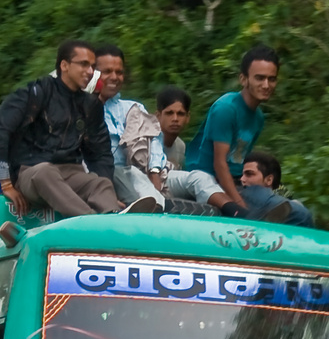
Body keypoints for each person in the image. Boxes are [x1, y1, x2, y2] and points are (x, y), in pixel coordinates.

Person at [0, 40, 140, 217]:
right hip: (32, 173)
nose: (90, 72)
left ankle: (114, 218)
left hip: (71, 174)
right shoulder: (34, 93)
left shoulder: (91, 105)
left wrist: (109, 194)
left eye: (92, 66)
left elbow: (101, 154)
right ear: (64, 65)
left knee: (101, 183)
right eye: (83, 64)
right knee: (45, 172)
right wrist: (6, 184)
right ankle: (91, 220)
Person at [183, 44, 290, 222]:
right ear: (243, 79)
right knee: (295, 213)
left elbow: (241, 161)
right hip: (210, 182)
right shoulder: (226, 109)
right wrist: (239, 203)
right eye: (260, 78)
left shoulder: (258, 118)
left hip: (238, 182)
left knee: (293, 207)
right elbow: (220, 164)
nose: (266, 85)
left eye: (272, 79)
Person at [93, 44, 165, 211]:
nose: (114, 77)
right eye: (107, 72)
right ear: (93, 74)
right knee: (121, 176)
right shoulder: (82, 109)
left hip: (134, 171)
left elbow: (153, 140)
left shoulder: (132, 108)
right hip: (99, 173)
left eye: (119, 72)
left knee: (149, 192)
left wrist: (154, 171)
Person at [151, 87, 241, 216]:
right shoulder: (149, 141)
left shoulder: (180, 146)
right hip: (150, 188)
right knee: (197, 178)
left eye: (180, 114)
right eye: (169, 113)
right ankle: (236, 211)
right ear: (158, 116)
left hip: (169, 192)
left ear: (188, 117)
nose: (175, 119)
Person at [240, 151, 314, 228]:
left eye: (249, 174)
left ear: (269, 180)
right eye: (243, 174)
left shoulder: (293, 210)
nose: (242, 179)